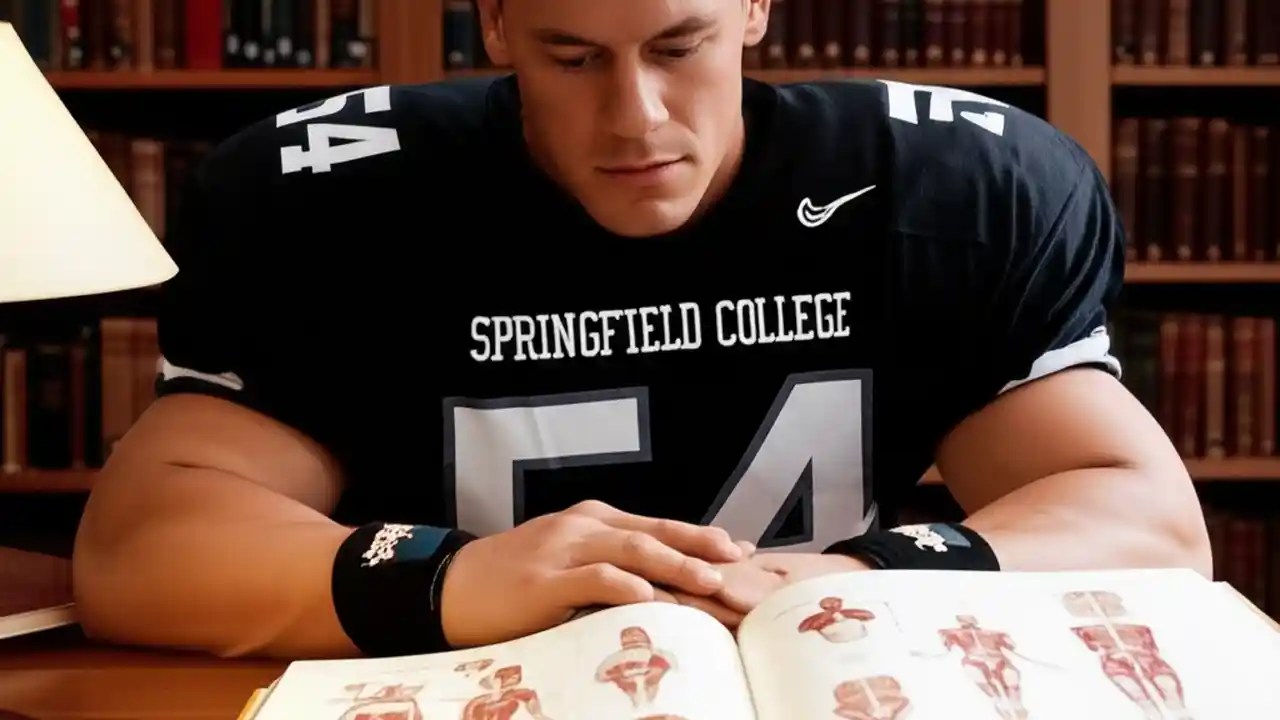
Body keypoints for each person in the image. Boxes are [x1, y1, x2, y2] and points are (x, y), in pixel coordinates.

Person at [71, 0, 1211, 661]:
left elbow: (1143, 518)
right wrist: (456, 579)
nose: (637, 117)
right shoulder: (331, 195)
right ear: (497, 17)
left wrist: (847, 575)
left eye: (677, 46)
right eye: (574, 57)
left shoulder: (941, 179)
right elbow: (144, 546)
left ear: (754, 5)